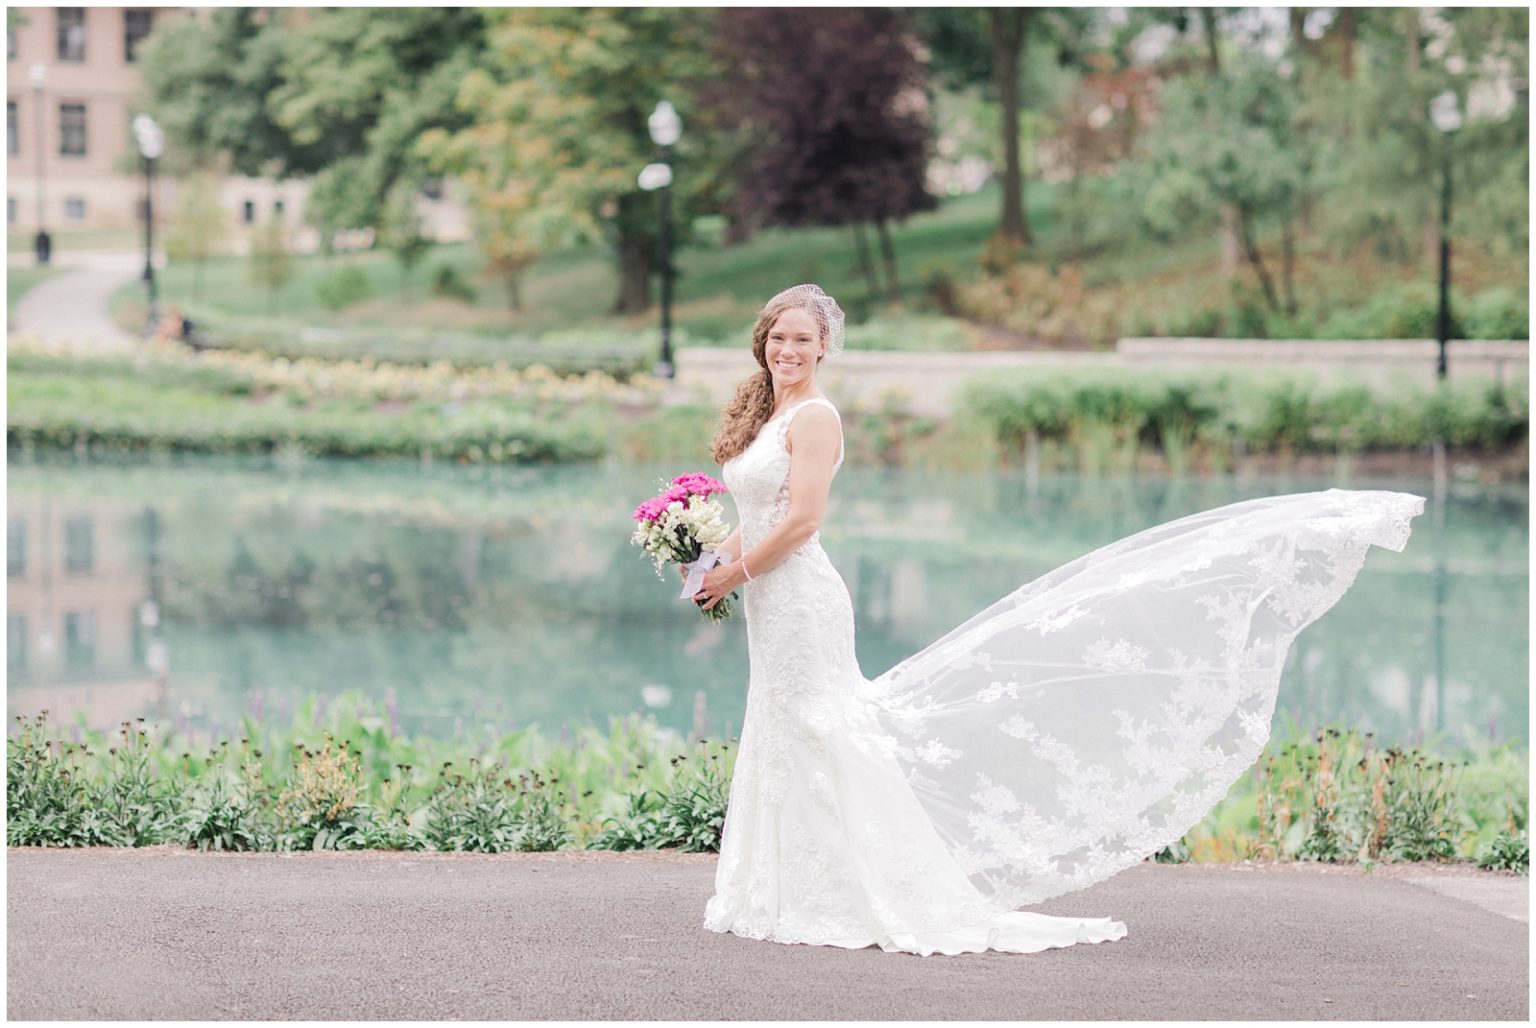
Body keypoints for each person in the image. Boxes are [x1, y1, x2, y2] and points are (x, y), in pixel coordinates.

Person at [685, 282, 1426, 956]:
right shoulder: (769, 411)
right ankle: (781, 886)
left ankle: (864, 888)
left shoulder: (815, 417)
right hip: (767, 600)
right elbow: (760, 513)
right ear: (763, 342)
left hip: (802, 597)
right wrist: (706, 560)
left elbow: (805, 521)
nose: (788, 350)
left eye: (801, 340)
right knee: (785, 727)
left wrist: (736, 572)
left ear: (823, 349)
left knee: (823, 728)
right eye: (777, 338)